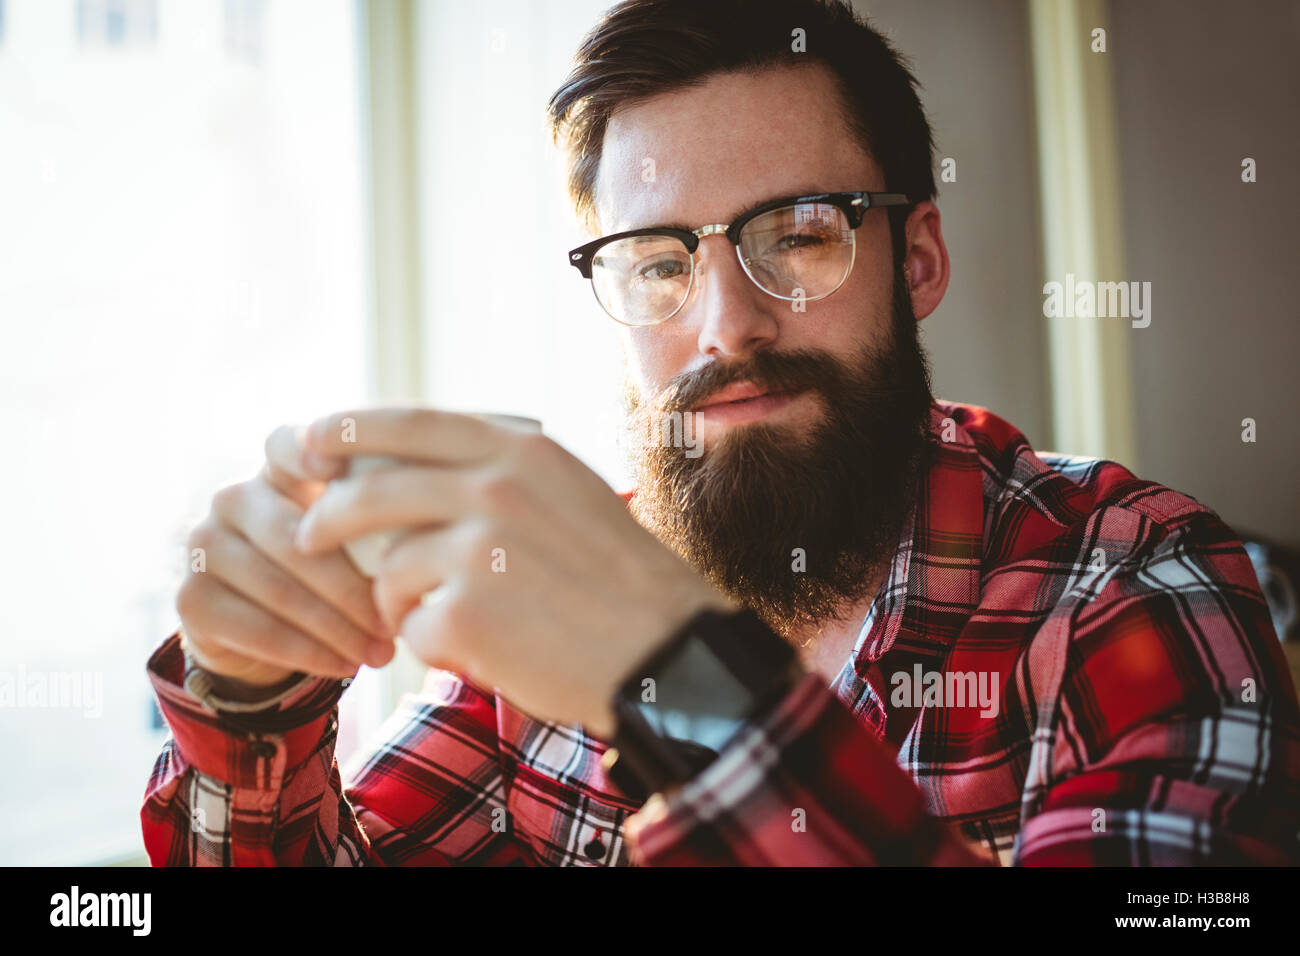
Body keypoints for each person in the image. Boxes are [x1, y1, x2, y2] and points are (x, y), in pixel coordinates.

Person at [141, 0, 1300, 866]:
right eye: (658, 262)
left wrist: (675, 678)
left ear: (919, 257)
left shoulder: (1139, 585)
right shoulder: (534, 614)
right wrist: (250, 700)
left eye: (798, 234)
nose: (725, 325)